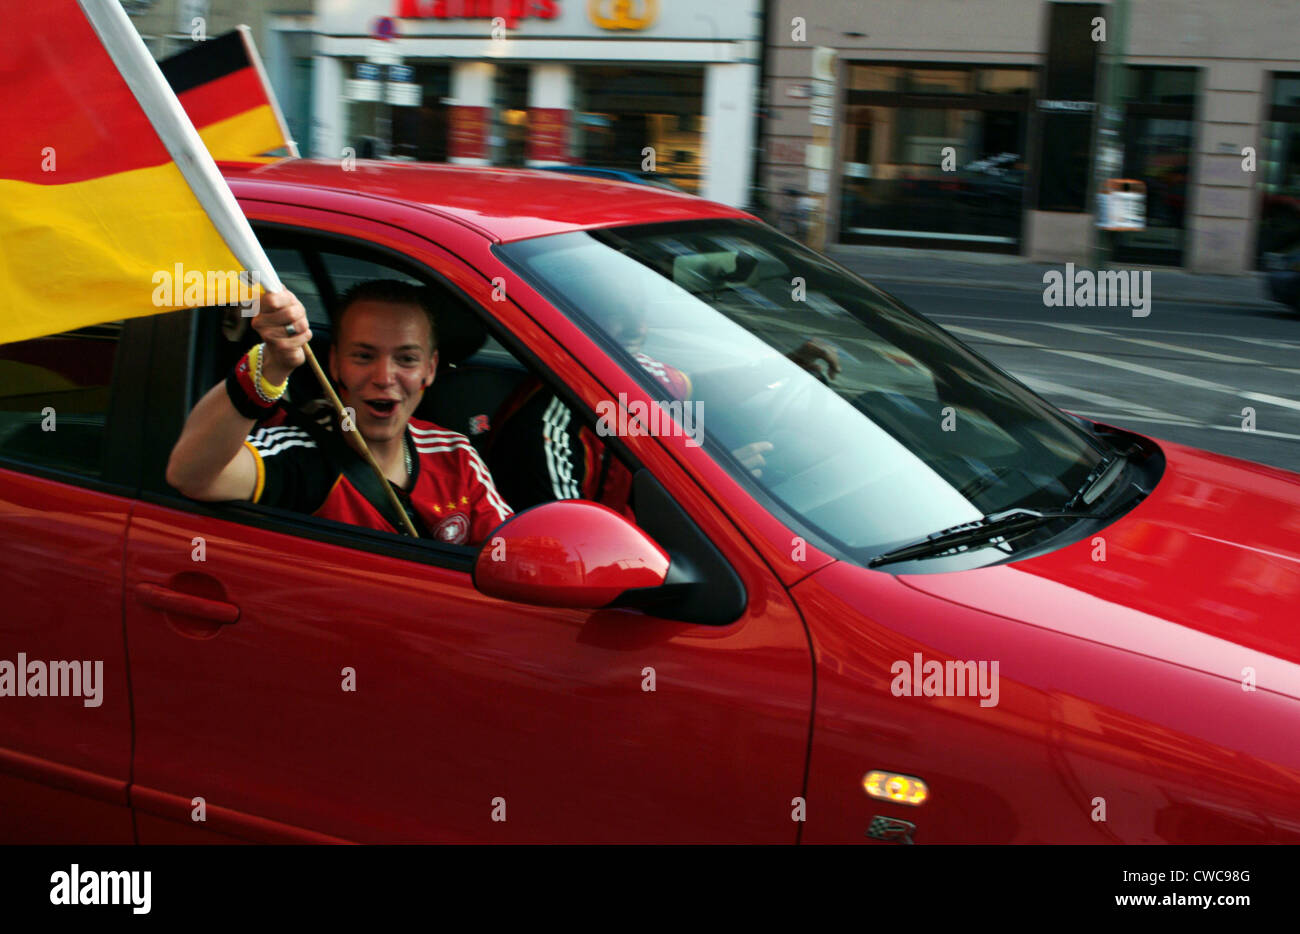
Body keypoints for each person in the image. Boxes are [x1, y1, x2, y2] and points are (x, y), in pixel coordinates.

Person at [166, 279, 512, 545]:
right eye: (363, 356)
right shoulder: (297, 454)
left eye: (406, 359)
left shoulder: (456, 456)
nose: (384, 377)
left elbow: (511, 555)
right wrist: (272, 365)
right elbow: (193, 476)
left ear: (430, 369)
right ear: (334, 363)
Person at [486, 295, 838, 513]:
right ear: (574, 316)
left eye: (640, 312)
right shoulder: (547, 431)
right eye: (614, 311)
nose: (636, 327)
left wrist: (785, 364)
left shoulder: (639, 373)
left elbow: (704, 389)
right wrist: (707, 491)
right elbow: (575, 544)